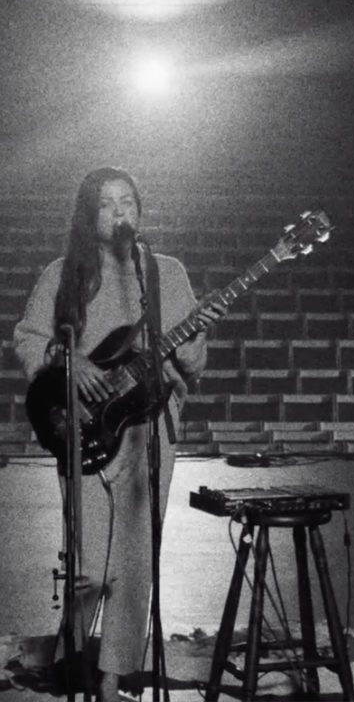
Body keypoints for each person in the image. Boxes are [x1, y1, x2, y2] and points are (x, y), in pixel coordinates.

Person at [13, 167, 225, 702]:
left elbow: (192, 364)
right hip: (85, 426)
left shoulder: (165, 273)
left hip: (150, 428)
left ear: (139, 210)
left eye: (126, 201)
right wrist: (70, 364)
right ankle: (72, 655)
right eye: (106, 204)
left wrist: (197, 334)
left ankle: (114, 677)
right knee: (87, 561)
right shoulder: (63, 274)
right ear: (90, 215)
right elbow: (28, 338)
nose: (119, 212)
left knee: (135, 560)